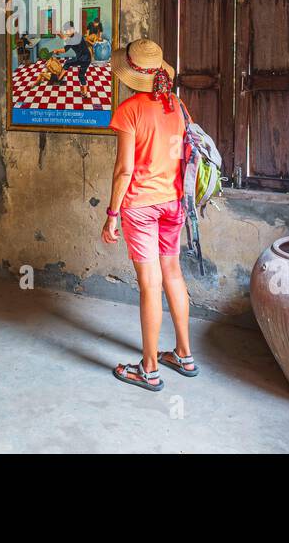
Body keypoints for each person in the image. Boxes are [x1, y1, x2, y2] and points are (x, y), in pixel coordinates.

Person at [103, 39, 196, 392]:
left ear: (128, 75)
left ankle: (149, 367)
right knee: (172, 273)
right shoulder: (177, 105)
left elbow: (124, 170)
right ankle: (184, 355)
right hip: (174, 203)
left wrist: (112, 213)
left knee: (149, 284)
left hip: (140, 207)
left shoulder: (129, 110)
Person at [57, 20, 92, 87]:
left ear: (72, 29)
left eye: (67, 30)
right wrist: (61, 35)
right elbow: (67, 39)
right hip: (87, 58)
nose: (66, 32)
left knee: (67, 62)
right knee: (81, 75)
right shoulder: (77, 35)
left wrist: (56, 50)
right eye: (65, 31)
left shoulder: (74, 38)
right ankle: (85, 92)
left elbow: (65, 49)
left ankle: (59, 79)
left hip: (82, 58)